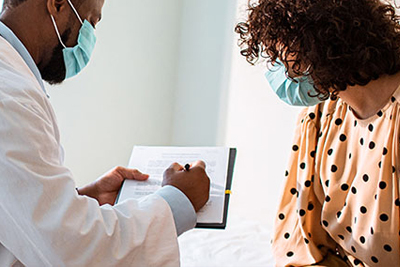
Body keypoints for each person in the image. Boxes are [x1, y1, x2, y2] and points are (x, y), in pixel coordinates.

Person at [0, 0, 210, 266]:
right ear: (57, 4)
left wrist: (82, 199)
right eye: (91, 22)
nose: (89, 40)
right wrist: (177, 200)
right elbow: (73, 250)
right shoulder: (10, 94)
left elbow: (15, 211)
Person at [236, 0, 400, 266]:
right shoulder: (319, 119)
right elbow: (301, 242)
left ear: (319, 46)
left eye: (280, 55)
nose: (279, 70)